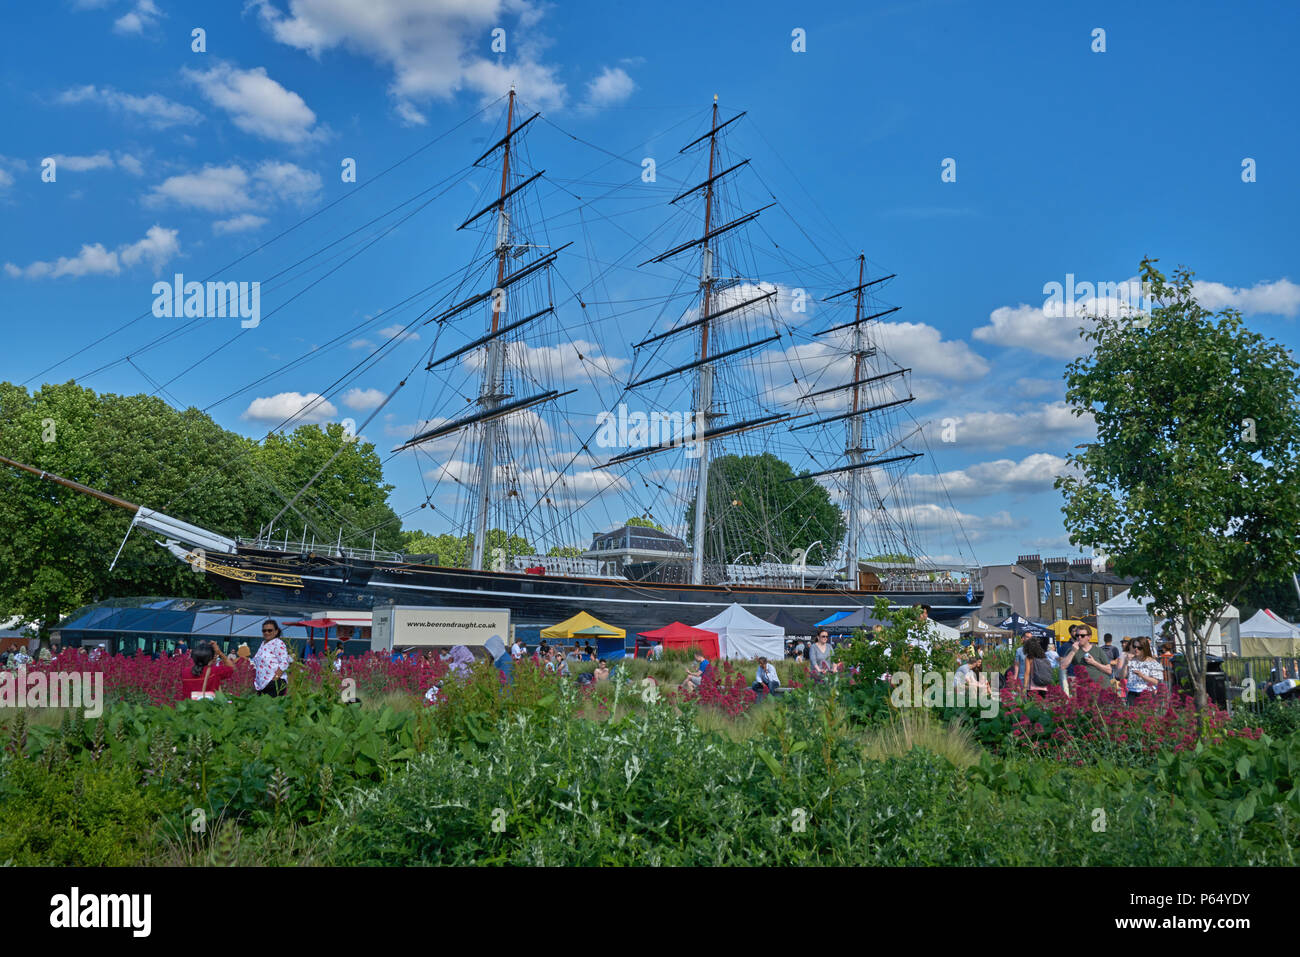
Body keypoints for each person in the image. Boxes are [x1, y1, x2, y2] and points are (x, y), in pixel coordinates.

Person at [1057, 625, 1114, 692]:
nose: (1079, 637)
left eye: (1082, 636)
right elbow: (1062, 666)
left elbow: (1109, 670)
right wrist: (1073, 651)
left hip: (1102, 687)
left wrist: (1094, 662)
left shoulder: (1098, 650)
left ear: (1089, 637)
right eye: (1077, 635)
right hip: (1085, 690)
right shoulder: (1072, 649)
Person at [252, 620, 290, 697]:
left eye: (270, 630)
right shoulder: (263, 644)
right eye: (264, 630)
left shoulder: (278, 643)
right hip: (262, 685)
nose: (266, 632)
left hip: (274, 683)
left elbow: (285, 662)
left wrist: (275, 679)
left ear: (276, 631)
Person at [1126, 636, 1163, 703]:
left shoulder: (1153, 662)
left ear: (1145, 648)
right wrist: (1125, 663)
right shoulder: (1131, 661)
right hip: (1132, 693)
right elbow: (1121, 676)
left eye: (1139, 648)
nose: (1136, 649)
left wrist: (1142, 676)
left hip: (1146, 693)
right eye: (1134, 647)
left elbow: (1156, 682)